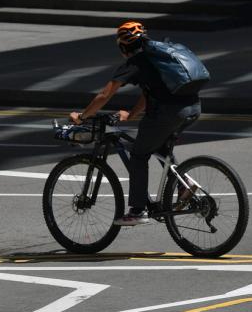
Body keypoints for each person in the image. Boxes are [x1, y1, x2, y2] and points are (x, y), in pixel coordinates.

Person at [69, 21, 201, 226]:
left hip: (168, 112)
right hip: (193, 108)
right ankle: (184, 185)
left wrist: (82, 117)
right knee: (159, 145)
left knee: (139, 155)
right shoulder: (157, 58)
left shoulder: (135, 63)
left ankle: (138, 211)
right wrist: (131, 115)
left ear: (123, 47)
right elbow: (149, 94)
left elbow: (104, 95)